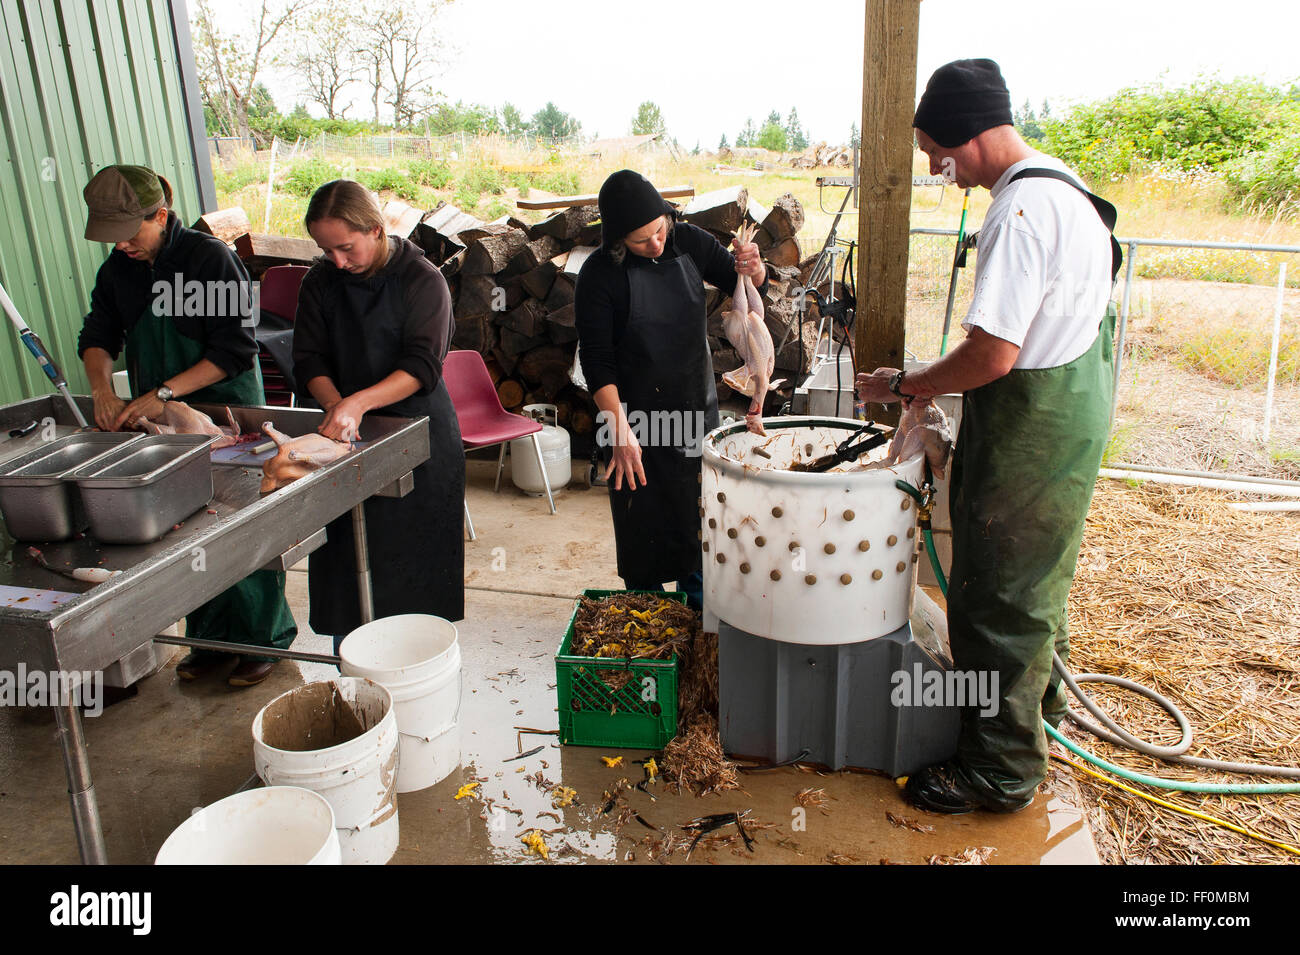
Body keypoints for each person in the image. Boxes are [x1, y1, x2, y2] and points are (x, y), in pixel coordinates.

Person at [856, 59, 1122, 814]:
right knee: (1035, 586)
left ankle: (999, 770)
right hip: (1063, 422)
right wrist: (913, 380)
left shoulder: (1019, 212)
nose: (948, 175)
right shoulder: (1065, 188)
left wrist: (915, 384)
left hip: (1030, 432)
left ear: (969, 137)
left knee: (998, 595)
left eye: (940, 158)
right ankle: (1037, 719)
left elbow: (992, 354)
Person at [77, 163, 296, 687]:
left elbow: (235, 349)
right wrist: (103, 389)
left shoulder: (208, 259)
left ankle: (261, 639)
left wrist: (166, 392)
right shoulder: (119, 270)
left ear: (161, 215)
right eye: (113, 237)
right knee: (185, 529)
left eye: (132, 233)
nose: (123, 245)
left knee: (238, 521)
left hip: (223, 407)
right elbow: (98, 334)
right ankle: (210, 641)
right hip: (162, 417)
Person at [575, 170, 767, 609]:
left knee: (697, 532)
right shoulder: (598, 275)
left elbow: (746, 282)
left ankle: (700, 626)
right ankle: (648, 626)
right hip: (631, 422)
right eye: (641, 241)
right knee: (642, 536)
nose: (656, 245)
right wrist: (619, 431)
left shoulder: (691, 242)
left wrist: (754, 269)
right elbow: (597, 362)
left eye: (659, 231)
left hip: (693, 414)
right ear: (617, 240)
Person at [293, 180, 464, 649]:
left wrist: (358, 402)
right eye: (326, 250)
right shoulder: (321, 281)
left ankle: (416, 665)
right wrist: (336, 407)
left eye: (345, 248)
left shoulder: (422, 280)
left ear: (375, 229)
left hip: (418, 432)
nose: (337, 261)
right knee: (347, 561)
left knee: (412, 567)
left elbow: (421, 366)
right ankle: (354, 666)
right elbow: (309, 359)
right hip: (343, 435)